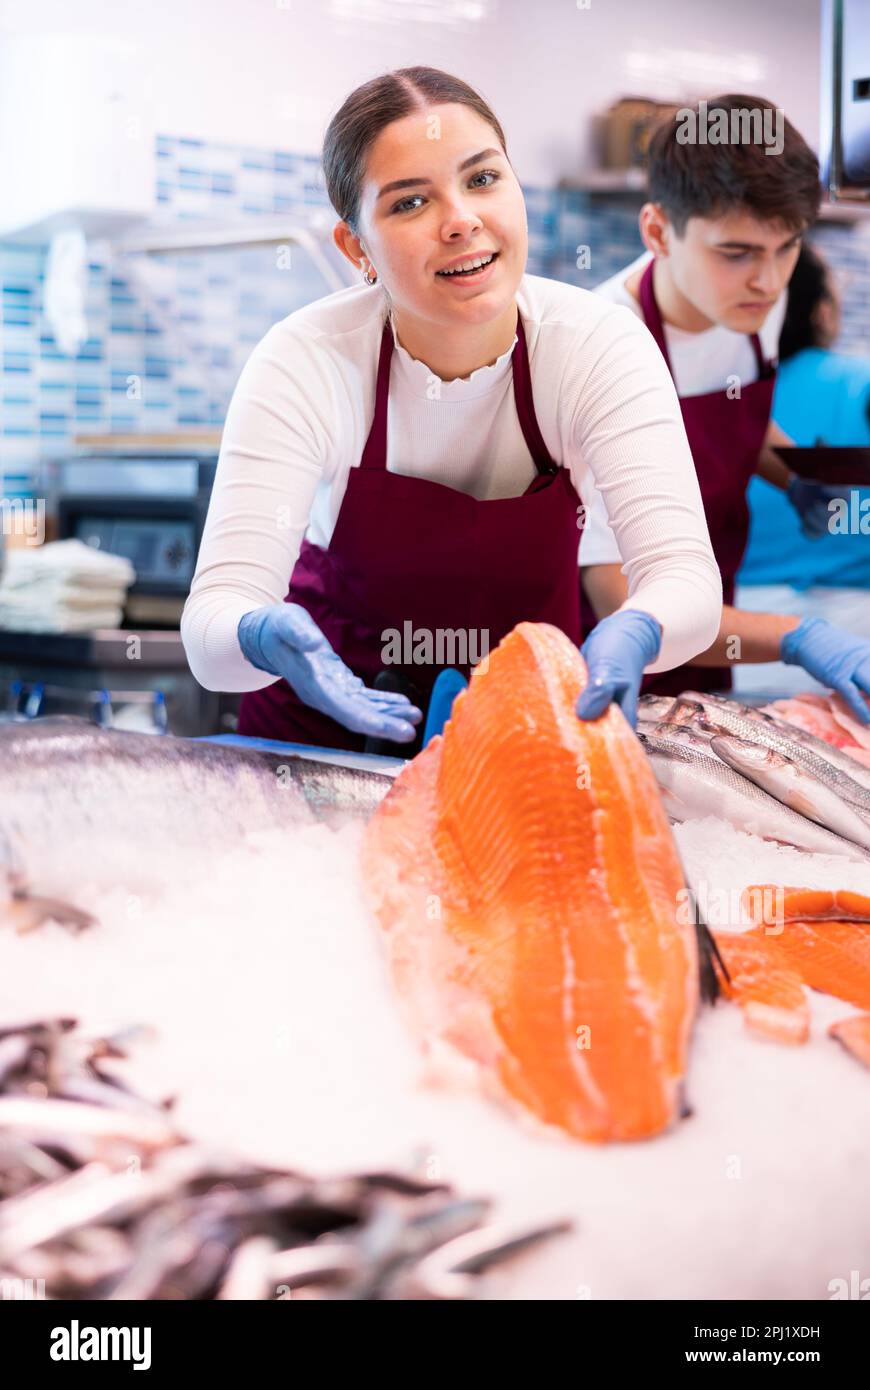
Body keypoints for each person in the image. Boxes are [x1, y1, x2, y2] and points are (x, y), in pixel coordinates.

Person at [181, 66, 721, 751]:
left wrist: (641, 626)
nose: (462, 220)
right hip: (320, 743)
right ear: (357, 249)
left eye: (483, 179)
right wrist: (257, 632)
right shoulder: (305, 358)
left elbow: (685, 582)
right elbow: (211, 632)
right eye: (410, 203)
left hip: (529, 740)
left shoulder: (595, 346)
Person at [580, 93, 870, 723]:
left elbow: (732, 404)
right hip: (617, 653)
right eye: (736, 253)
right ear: (657, 231)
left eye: (787, 247)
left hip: (715, 626)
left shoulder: (747, 304)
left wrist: (794, 477)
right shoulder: (599, 350)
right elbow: (619, 598)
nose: (768, 281)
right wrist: (799, 634)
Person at [734, 242, 870, 696]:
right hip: (857, 641)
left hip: (742, 641)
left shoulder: (726, 395)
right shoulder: (860, 382)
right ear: (822, 311)